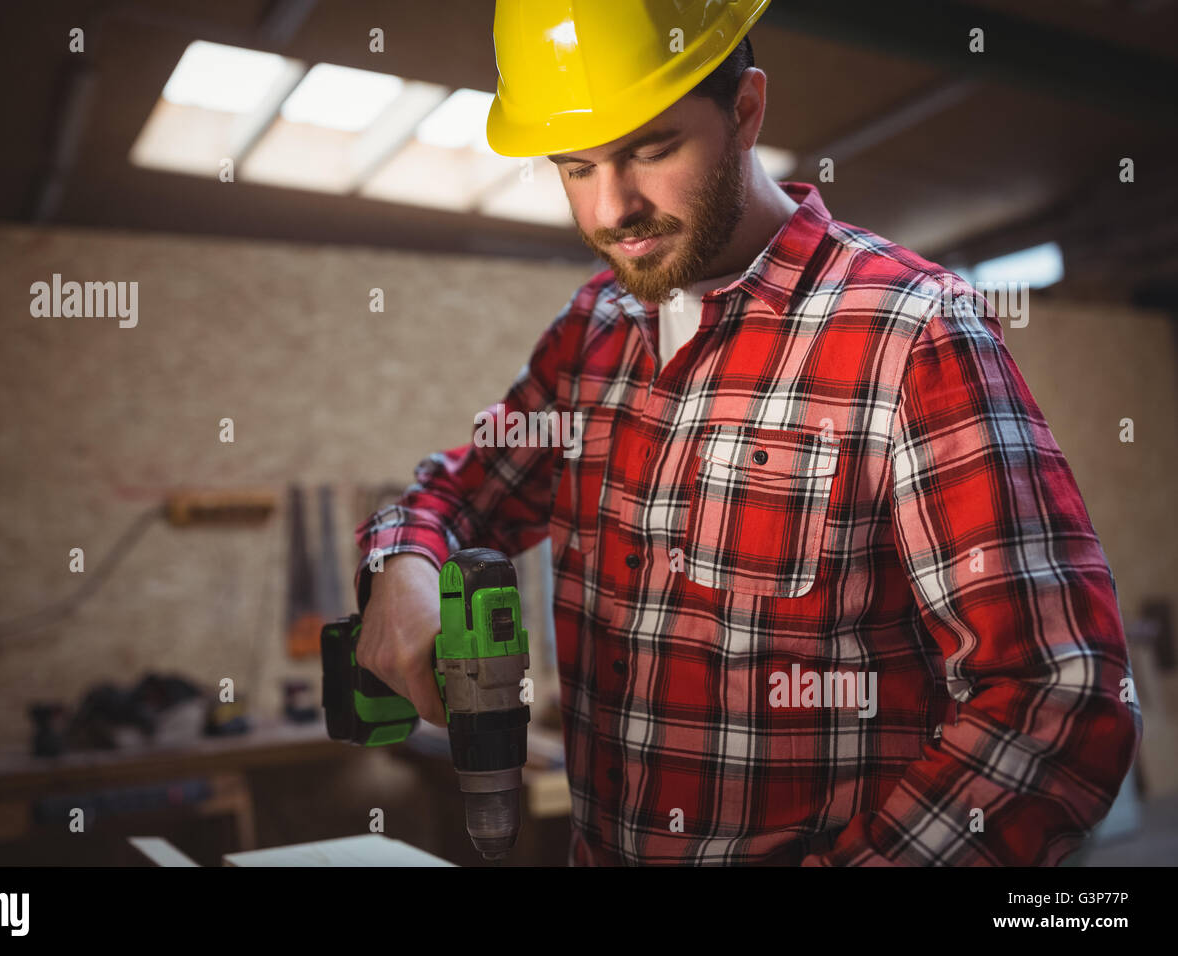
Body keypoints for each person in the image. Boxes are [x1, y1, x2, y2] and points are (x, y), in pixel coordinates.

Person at [352, 0, 1143, 865]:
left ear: (746, 109)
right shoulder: (595, 330)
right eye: (575, 167)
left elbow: (1059, 703)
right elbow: (463, 497)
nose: (614, 208)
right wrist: (404, 562)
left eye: (652, 150)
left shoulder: (912, 332)